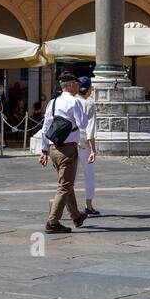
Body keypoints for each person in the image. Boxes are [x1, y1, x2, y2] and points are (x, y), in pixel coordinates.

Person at [37, 72, 91, 235]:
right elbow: (82, 123)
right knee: (64, 186)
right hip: (68, 149)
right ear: (70, 85)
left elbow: (46, 127)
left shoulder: (52, 102)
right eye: (76, 84)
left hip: (54, 149)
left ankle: (76, 216)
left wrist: (44, 150)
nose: (78, 86)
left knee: (66, 183)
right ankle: (52, 222)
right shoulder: (75, 102)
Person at [78, 76, 100, 217]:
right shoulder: (89, 104)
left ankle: (63, 205)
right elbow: (90, 130)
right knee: (89, 175)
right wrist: (93, 149)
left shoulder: (72, 101)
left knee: (68, 177)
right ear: (89, 89)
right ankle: (88, 205)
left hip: (70, 143)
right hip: (84, 144)